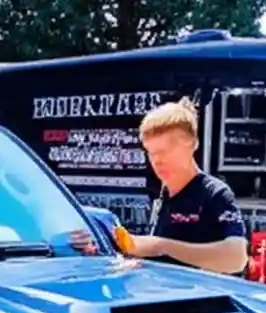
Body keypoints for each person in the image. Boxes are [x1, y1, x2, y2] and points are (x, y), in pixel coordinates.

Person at [103, 98, 251, 275]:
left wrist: (161, 246)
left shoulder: (215, 193)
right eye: (152, 153)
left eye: (165, 151)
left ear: (192, 144)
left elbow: (237, 258)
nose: (157, 161)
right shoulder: (163, 194)